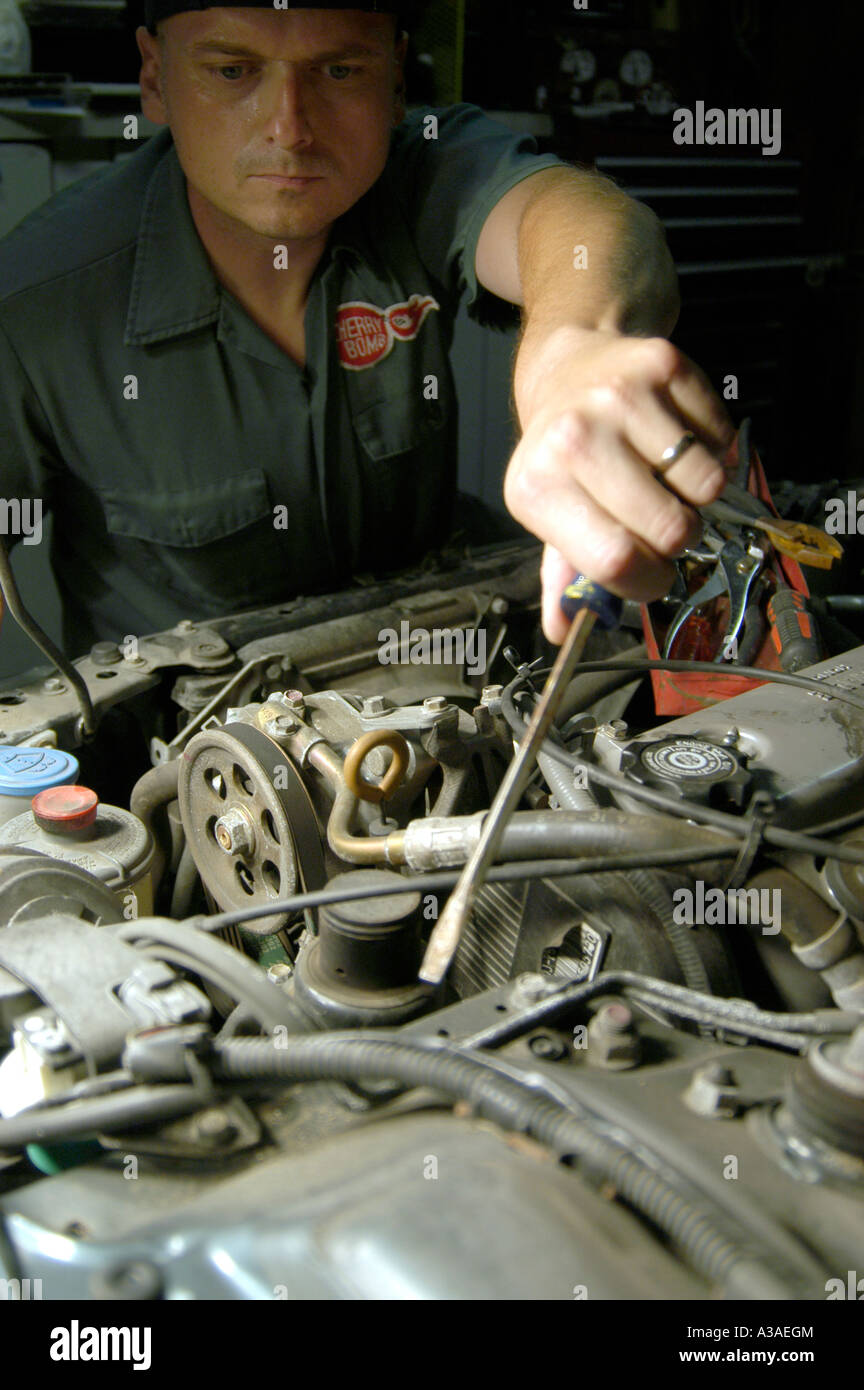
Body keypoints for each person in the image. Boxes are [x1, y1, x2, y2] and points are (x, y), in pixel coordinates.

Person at [0, 1, 733, 660]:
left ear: (395, 84)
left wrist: (574, 350)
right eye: (231, 69)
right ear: (155, 78)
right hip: (186, 769)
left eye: (340, 69)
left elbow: (587, 220)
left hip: (442, 688)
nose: (289, 127)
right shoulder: (34, 302)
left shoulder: (420, 171)